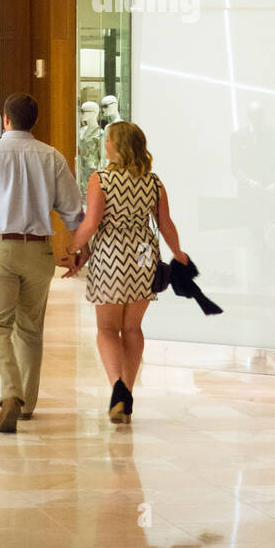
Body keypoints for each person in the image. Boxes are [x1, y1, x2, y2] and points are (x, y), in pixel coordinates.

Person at [0, 92, 84, 434]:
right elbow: (73, 211)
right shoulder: (51, 157)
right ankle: (27, 405)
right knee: (30, 329)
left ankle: (9, 394)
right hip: (39, 251)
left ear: (5, 118)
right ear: (34, 121)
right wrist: (78, 247)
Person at [65, 121, 188, 424]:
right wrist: (178, 253)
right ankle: (128, 393)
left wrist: (74, 247)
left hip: (111, 254)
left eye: (108, 139)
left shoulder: (101, 179)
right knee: (132, 328)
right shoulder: (153, 181)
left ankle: (117, 388)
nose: (105, 144)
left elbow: (91, 223)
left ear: (117, 146)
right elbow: (165, 224)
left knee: (107, 329)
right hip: (145, 254)